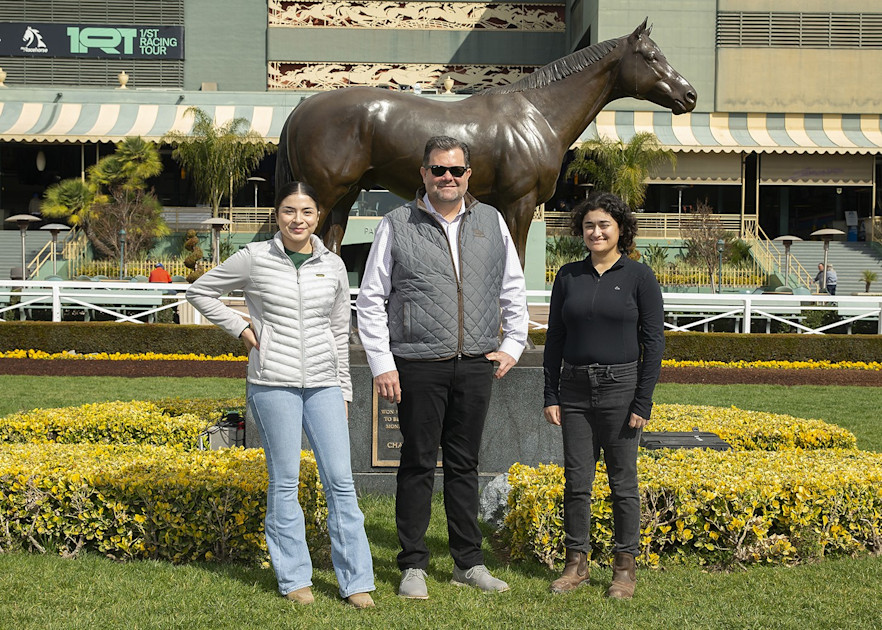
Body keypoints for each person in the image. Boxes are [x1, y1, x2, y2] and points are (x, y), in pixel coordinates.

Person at [186, 181, 376, 608]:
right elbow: (199, 291)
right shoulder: (254, 258)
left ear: (318, 216)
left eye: (307, 211)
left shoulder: (332, 264)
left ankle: (356, 581)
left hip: (325, 384)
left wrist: (344, 389)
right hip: (273, 382)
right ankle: (294, 578)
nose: (298, 219)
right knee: (285, 481)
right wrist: (241, 327)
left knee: (341, 481)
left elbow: (338, 332)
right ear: (277, 215)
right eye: (290, 210)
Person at [356, 135, 528, 599]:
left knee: (464, 465)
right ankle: (413, 564)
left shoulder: (492, 221)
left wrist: (514, 343)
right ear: (423, 174)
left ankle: (468, 563)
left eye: (455, 170)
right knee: (416, 463)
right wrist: (382, 364)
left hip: (475, 362)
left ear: (468, 174)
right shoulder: (396, 223)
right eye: (438, 170)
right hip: (417, 363)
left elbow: (512, 286)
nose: (447, 177)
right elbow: (371, 299)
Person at [542, 191, 664, 600]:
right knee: (576, 482)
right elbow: (555, 338)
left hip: (621, 389)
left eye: (604, 225)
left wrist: (642, 401)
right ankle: (575, 564)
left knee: (622, 483)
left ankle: (624, 569)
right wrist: (551, 393)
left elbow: (654, 343)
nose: (596, 232)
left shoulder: (639, 277)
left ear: (620, 229)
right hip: (574, 390)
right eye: (589, 225)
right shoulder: (568, 276)